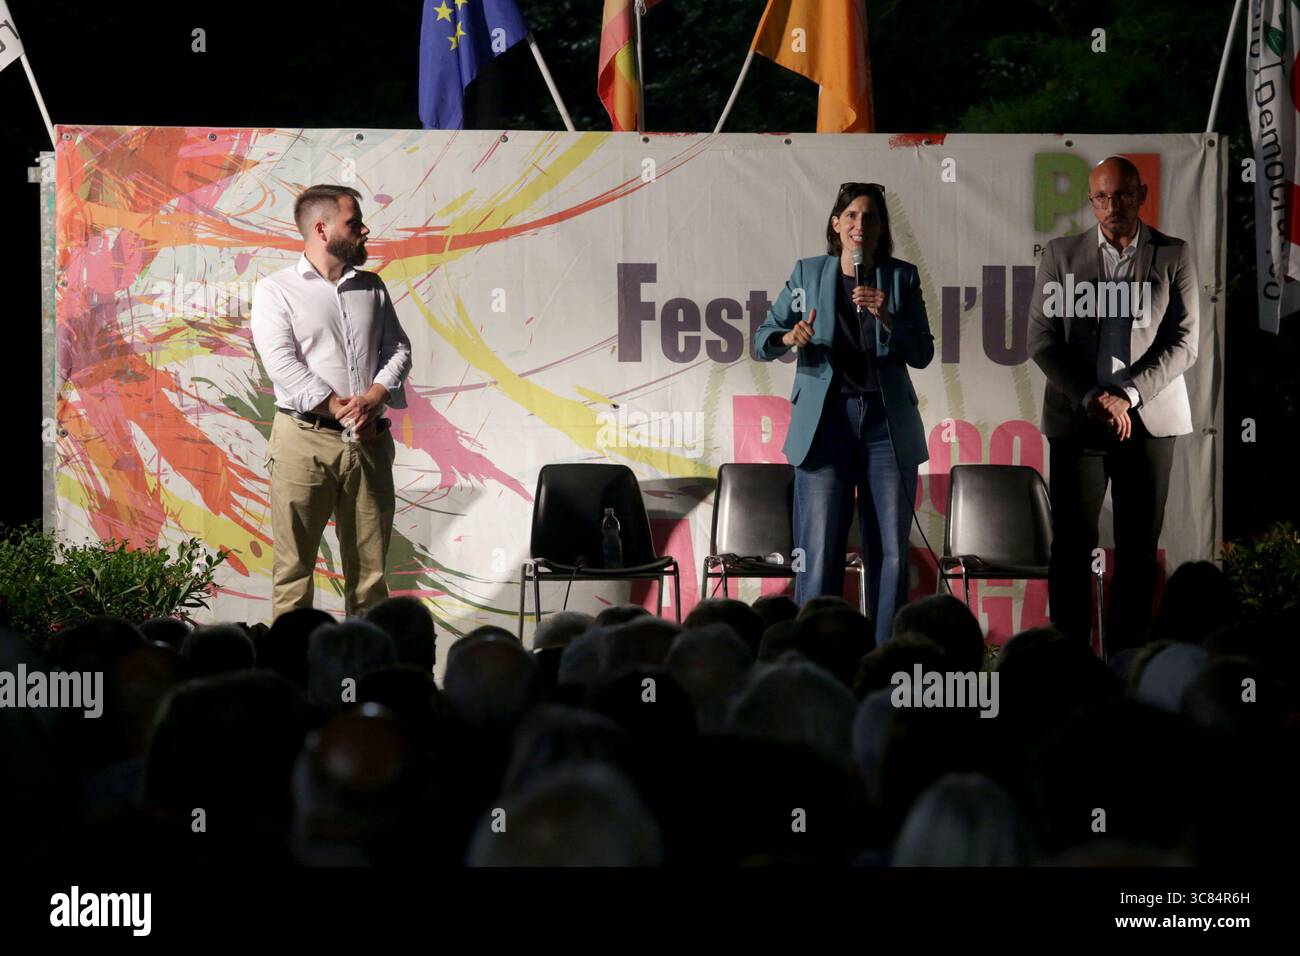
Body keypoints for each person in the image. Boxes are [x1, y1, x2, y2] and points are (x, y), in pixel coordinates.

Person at [1028, 156, 1199, 653]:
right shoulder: (1061, 256)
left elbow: (1186, 343)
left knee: (1138, 550)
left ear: (1142, 195)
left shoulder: (1173, 254)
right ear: (1090, 201)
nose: (1112, 206)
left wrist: (1127, 394)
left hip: (1148, 420)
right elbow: (1041, 339)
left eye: (1123, 195)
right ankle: (1067, 662)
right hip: (1080, 419)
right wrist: (1091, 396)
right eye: (1102, 197)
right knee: (1071, 549)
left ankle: (1128, 662)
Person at [753, 183, 934, 647]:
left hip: (885, 425)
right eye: (851, 216)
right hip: (825, 424)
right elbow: (762, 339)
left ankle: (885, 658)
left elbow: (923, 352)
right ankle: (817, 656)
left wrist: (888, 317)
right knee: (817, 551)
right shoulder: (808, 273)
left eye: (870, 217)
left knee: (890, 551)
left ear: (880, 228)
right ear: (836, 224)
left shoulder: (901, 277)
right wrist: (790, 338)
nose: (860, 225)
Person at [251, 184, 413, 623]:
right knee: (293, 572)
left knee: (370, 577)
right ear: (321, 229)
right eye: (353, 222)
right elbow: (281, 363)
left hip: (369, 443)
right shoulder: (275, 291)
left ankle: (362, 677)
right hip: (303, 441)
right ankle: (292, 681)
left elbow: (397, 348)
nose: (364, 230)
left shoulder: (372, 285)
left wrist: (375, 398)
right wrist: (338, 407)